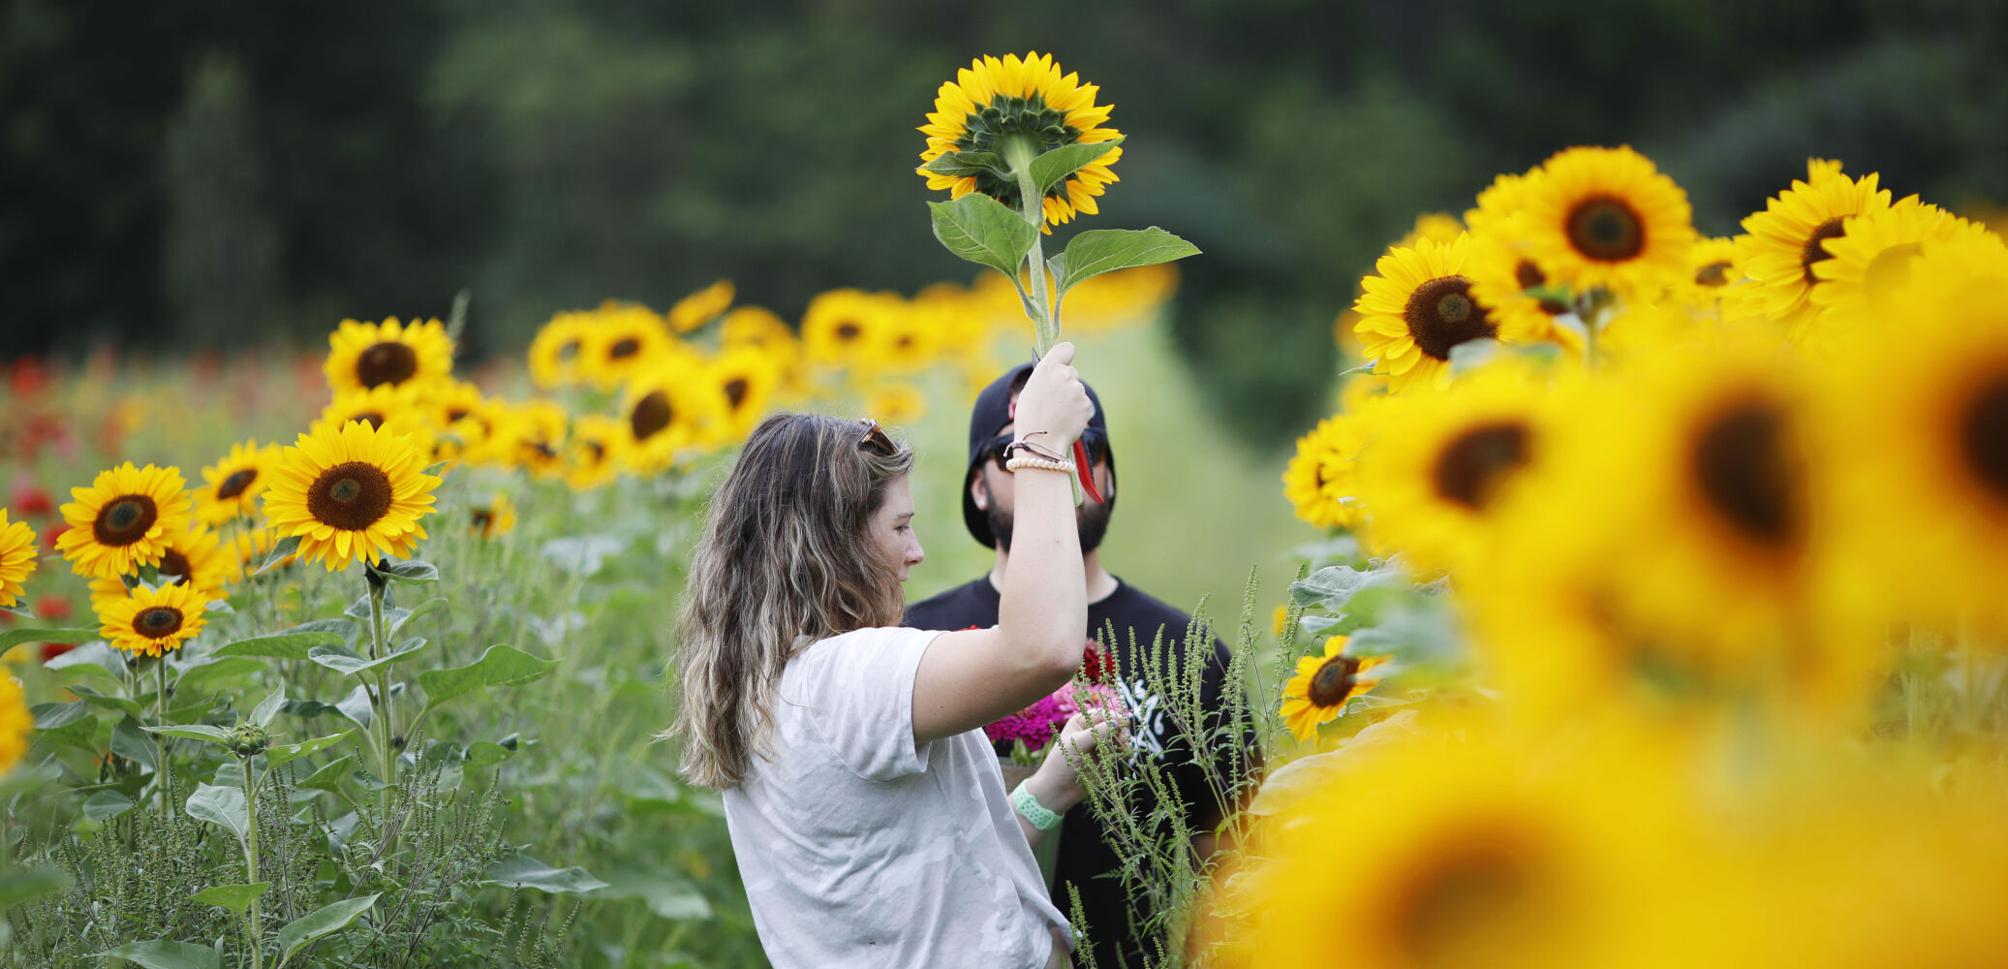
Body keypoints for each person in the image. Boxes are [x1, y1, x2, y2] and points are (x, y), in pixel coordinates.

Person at [668, 345, 1119, 969]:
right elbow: (1042, 649)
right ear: (835, 544)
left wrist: (1045, 791)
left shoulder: (781, 687)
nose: (916, 553)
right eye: (900, 527)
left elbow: (933, 893)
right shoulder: (843, 678)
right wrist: (1040, 447)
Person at [904, 362, 1253, 969]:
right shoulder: (918, 642)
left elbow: (1231, 855)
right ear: (979, 488)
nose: (1055, 466)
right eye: (1020, 453)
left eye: (1078, 447)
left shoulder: (1187, 653)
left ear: (1108, 478)